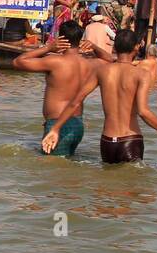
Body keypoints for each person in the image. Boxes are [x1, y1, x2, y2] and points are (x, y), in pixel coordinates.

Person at [43, 29, 157, 161]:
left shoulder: (102, 71)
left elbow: (75, 102)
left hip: (107, 142)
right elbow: (143, 112)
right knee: (131, 187)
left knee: (108, 188)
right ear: (137, 47)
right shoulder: (141, 74)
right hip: (130, 140)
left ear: (115, 48)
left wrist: (55, 129)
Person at [12, 21, 103, 157]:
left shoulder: (54, 62)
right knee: (65, 170)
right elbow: (109, 60)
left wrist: (48, 48)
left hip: (57, 124)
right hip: (77, 124)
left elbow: (18, 62)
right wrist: (95, 47)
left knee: (51, 172)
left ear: (61, 39)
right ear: (80, 39)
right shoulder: (89, 63)